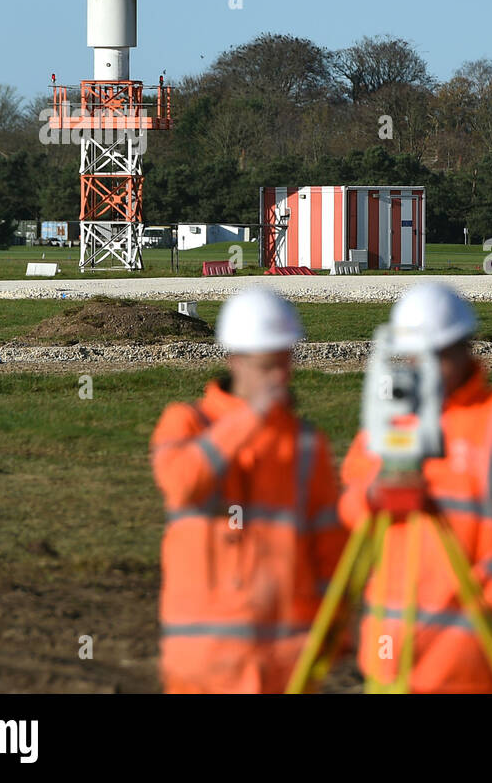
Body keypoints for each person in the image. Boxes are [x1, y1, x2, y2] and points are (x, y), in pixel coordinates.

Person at [338, 283, 492, 693]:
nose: (423, 368)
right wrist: (376, 494)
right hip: (394, 660)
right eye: (413, 357)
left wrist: (478, 597)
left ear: (463, 349)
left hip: (477, 659)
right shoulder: (387, 421)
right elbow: (352, 507)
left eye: (437, 356)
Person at [150, 286, 345, 693]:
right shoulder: (187, 424)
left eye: (285, 363)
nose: (280, 377)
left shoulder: (306, 445)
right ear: (234, 359)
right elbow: (182, 483)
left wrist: (335, 631)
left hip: (286, 665)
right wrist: (248, 420)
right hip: (203, 666)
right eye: (267, 365)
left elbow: (330, 550)